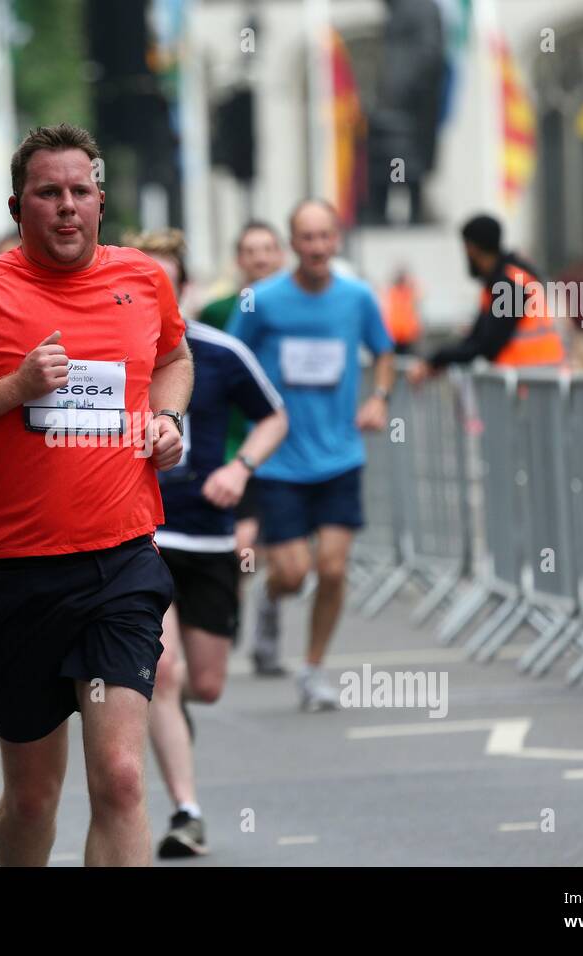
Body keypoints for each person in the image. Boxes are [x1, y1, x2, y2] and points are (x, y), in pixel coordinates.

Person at [0, 123, 193, 866]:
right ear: (16, 206)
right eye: (48, 193)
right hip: (17, 573)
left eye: (80, 192)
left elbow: (175, 356)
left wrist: (166, 416)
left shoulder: (144, 280)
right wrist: (14, 388)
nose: (66, 207)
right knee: (33, 797)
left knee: (121, 779)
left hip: (121, 562)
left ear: (100, 201)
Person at [127, 229, 287, 858]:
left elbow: (275, 415)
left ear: (184, 288)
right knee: (161, 671)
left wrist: (239, 468)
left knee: (209, 683)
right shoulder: (112, 356)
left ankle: (159, 709)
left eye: (168, 281)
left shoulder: (219, 352)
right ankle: (186, 812)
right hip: (143, 535)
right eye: (146, 283)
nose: (157, 293)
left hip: (210, 537)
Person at [227, 199, 394, 712]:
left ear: (336, 240)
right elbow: (234, 357)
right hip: (280, 460)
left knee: (335, 568)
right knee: (295, 572)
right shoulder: (263, 300)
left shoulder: (358, 298)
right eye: (307, 238)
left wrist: (378, 398)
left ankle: (314, 669)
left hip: (340, 455)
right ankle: (272, 601)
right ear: (292, 245)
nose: (318, 247)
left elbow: (384, 351)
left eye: (326, 237)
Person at [194, 222, 288, 674]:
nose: (260, 259)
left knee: (286, 559)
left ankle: (267, 616)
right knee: (244, 543)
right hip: (237, 441)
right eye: (251, 251)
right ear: (239, 258)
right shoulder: (219, 311)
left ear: (280, 255)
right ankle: (228, 616)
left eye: (268, 250)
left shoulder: (298, 304)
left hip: (290, 446)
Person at [406, 213, 563, 383]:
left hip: (531, 383)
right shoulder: (500, 282)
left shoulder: (510, 285)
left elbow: (487, 345)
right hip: (531, 381)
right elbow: (476, 338)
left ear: (472, 248)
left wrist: (436, 360)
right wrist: (436, 361)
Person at [380, 267, 422, 355]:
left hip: (407, 334)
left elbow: (420, 296)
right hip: (394, 333)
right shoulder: (392, 292)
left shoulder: (409, 292)